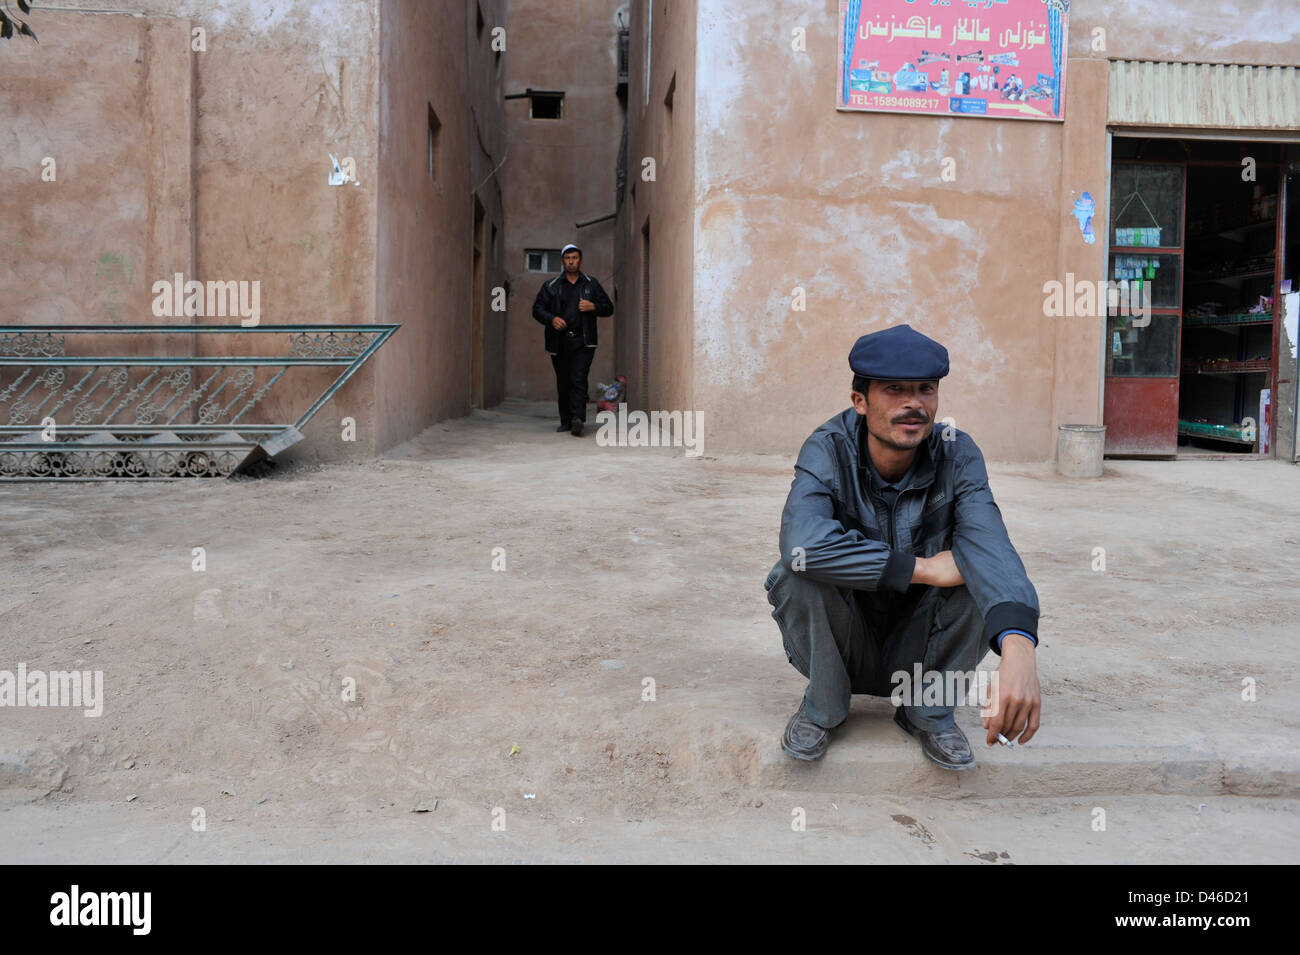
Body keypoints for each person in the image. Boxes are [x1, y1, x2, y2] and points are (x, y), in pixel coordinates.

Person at [764, 324, 1042, 770]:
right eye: (894, 390)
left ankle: (927, 713)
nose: (913, 403)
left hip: (922, 642)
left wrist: (1019, 646)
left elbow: (990, 544)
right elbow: (802, 545)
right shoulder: (828, 448)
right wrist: (924, 568)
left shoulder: (958, 454)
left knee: (977, 571)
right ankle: (825, 706)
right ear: (860, 402)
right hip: (845, 639)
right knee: (793, 572)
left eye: (925, 390)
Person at [531, 243, 614, 436]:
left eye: (574, 258)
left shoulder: (591, 284)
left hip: (583, 341)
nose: (571, 261)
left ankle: (578, 419)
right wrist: (551, 319)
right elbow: (537, 309)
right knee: (563, 381)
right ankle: (566, 421)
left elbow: (609, 307)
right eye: (567, 258)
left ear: (580, 260)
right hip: (558, 341)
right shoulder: (551, 286)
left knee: (578, 378)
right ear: (562, 261)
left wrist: (593, 306)